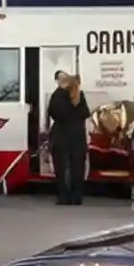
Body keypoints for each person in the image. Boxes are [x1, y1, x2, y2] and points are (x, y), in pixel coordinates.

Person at [47, 70, 91, 205]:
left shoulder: (58, 95)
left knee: (62, 168)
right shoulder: (79, 95)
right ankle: (76, 197)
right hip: (78, 136)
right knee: (77, 167)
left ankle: (63, 196)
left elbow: (52, 112)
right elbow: (85, 113)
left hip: (61, 136)